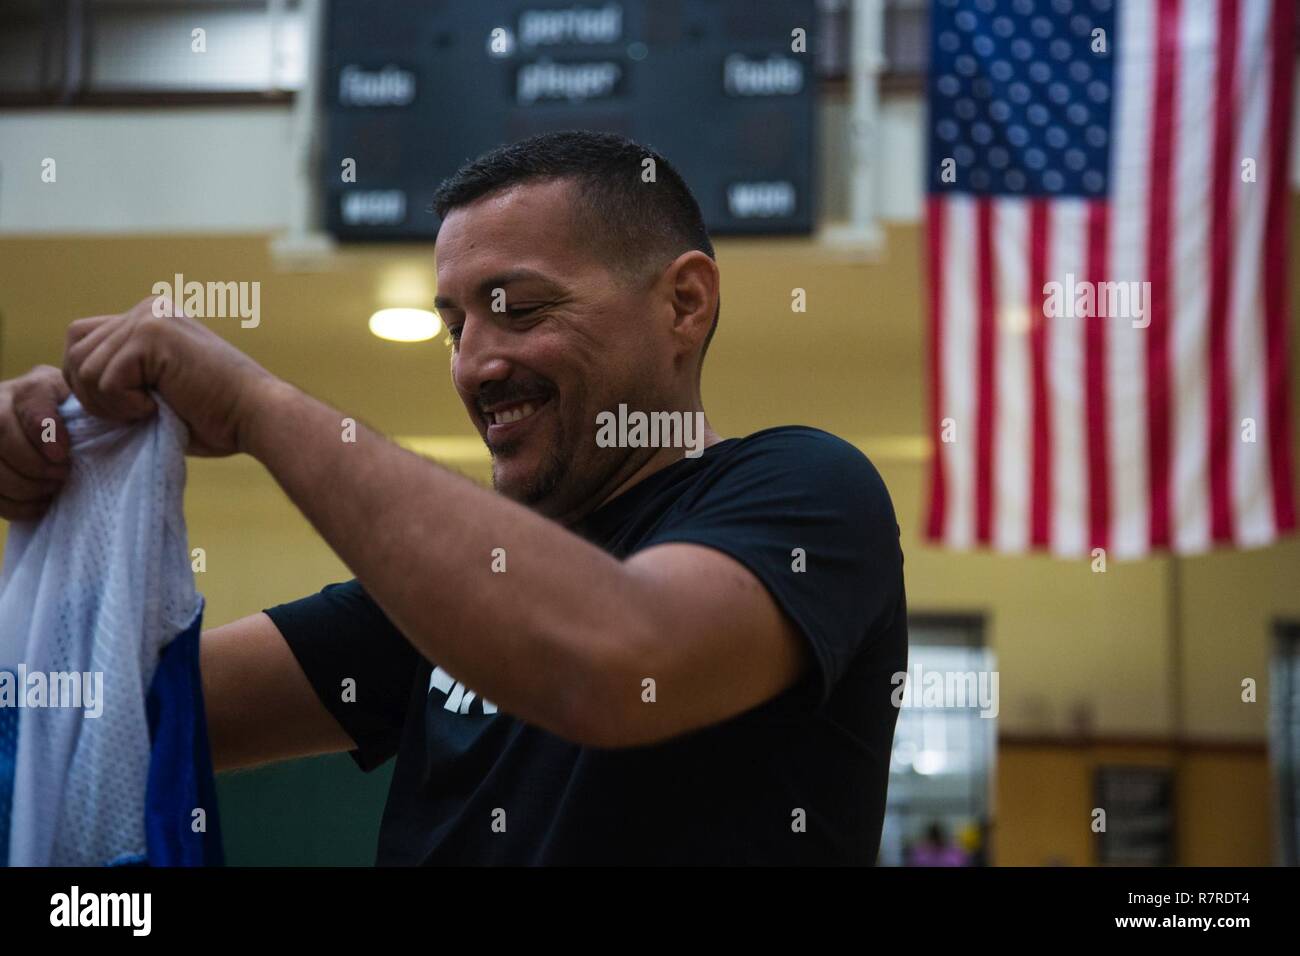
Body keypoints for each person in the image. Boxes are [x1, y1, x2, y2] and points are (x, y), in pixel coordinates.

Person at [0, 130, 908, 864]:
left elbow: (619, 660)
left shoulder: (809, 488)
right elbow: (110, 711)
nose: (474, 363)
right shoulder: (456, 595)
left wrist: (254, 405)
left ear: (684, 304)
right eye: (455, 322)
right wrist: (74, 478)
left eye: (519, 308)